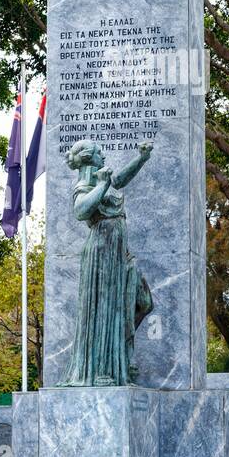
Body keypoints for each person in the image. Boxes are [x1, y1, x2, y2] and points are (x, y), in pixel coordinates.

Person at [60, 139, 154, 386]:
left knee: (143, 302)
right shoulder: (84, 184)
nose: (104, 156)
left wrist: (141, 159)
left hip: (119, 252)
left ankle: (120, 353)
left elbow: (120, 179)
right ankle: (104, 370)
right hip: (101, 255)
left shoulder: (103, 179)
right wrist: (101, 185)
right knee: (105, 311)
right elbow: (81, 211)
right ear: (90, 157)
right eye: (100, 153)